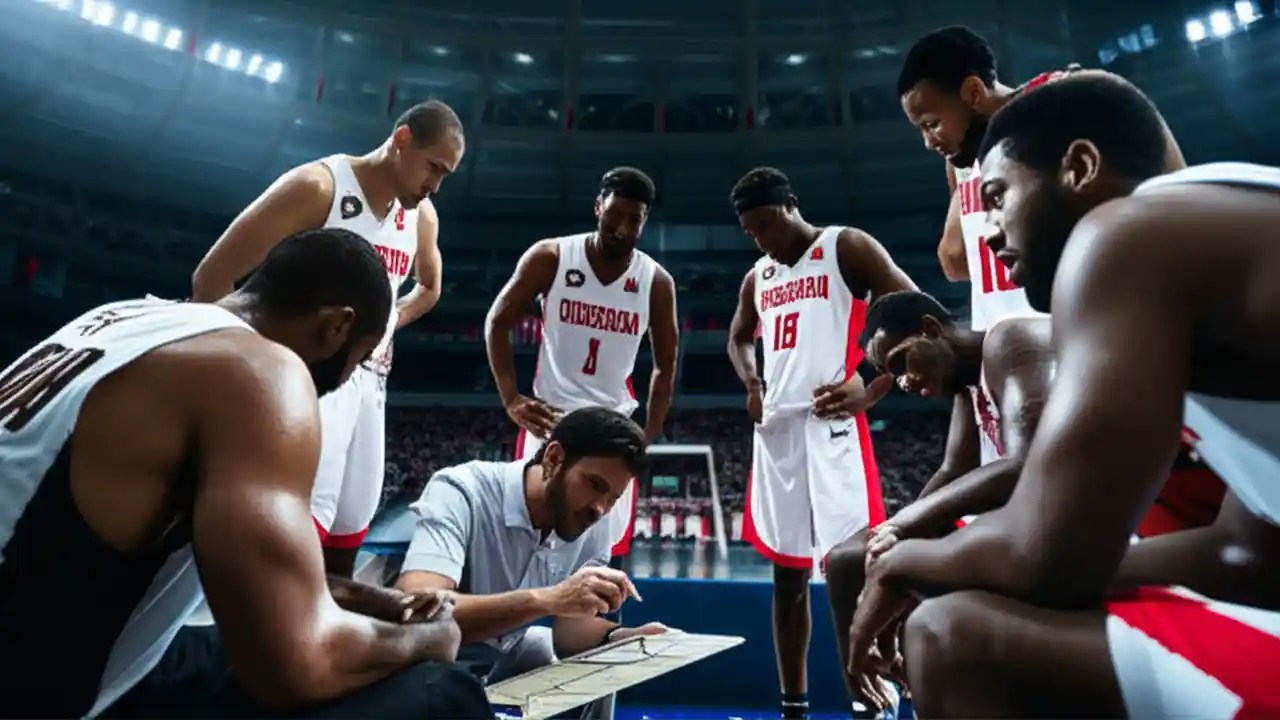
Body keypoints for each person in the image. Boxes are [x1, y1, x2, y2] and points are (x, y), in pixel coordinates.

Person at [849, 71, 1280, 718]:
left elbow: (1045, 551)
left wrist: (905, 561)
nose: (991, 233)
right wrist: (939, 560)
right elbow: (1246, 556)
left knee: (950, 635)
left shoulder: (1124, 236)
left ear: (1080, 167)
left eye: (997, 197)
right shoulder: (1224, 213)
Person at [0, 229, 489, 719]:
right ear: (336, 327)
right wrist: (429, 638)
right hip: (40, 691)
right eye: (358, 363)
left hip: (45, 636)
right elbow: (294, 664)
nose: (346, 382)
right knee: (440, 694)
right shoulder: (261, 373)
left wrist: (373, 600)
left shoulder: (132, 319)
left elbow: (252, 582)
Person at [829, 291, 1225, 713]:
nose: (902, 382)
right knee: (846, 560)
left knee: (917, 595)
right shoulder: (968, 383)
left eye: (901, 362)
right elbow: (952, 473)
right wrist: (892, 536)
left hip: (1121, 517)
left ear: (931, 330)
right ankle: (869, 697)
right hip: (1049, 517)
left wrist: (902, 528)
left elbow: (1027, 464)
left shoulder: (1009, 341)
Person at [191, 100, 461, 568]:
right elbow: (212, 278)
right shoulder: (319, 187)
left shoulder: (422, 216)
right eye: (433, 167)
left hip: (371, 383)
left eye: (445, 176)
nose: (435, 185)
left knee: (347, 537)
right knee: (294, 539)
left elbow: (429, 288)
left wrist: (386, 322)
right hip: (309, 376)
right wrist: (247, 372)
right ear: (401, 140)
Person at [725, 167, 916, 720]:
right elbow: (737, 337)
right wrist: (753, 383)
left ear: (791, 205)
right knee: (787, 579)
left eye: (765, 224)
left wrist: (870, 380)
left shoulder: (844, 246)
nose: (760, 239)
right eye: (750, 231)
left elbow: (910, 307)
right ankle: (794, 707)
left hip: (833, 429)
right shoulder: (758, 275)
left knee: (856, 568)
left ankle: (877, 696)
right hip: (778, 434)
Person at [395, 406, 673, 686]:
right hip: (429, 666)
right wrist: (546, 599)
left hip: (500, 666)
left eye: (613, 497)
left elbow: (570, 629)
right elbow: (417, 609)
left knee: (547, 650)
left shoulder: (595, 523)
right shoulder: (461, 490)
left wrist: (621, 638)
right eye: (593, 484)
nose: (600, 509)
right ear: (554, 459)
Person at [484, 167, 679, 560]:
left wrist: (648, 434)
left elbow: (666, 366)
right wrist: (511, 399)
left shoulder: (656, 282)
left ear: (645, 221)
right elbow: (497, 322)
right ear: (597, 208)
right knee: (526, 546)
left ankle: (604, 624)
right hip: (550, 423)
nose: (622, 228)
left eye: (634, 220)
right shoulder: (552, 256)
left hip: (613, 427)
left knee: (602, 564)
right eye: (615, 215)